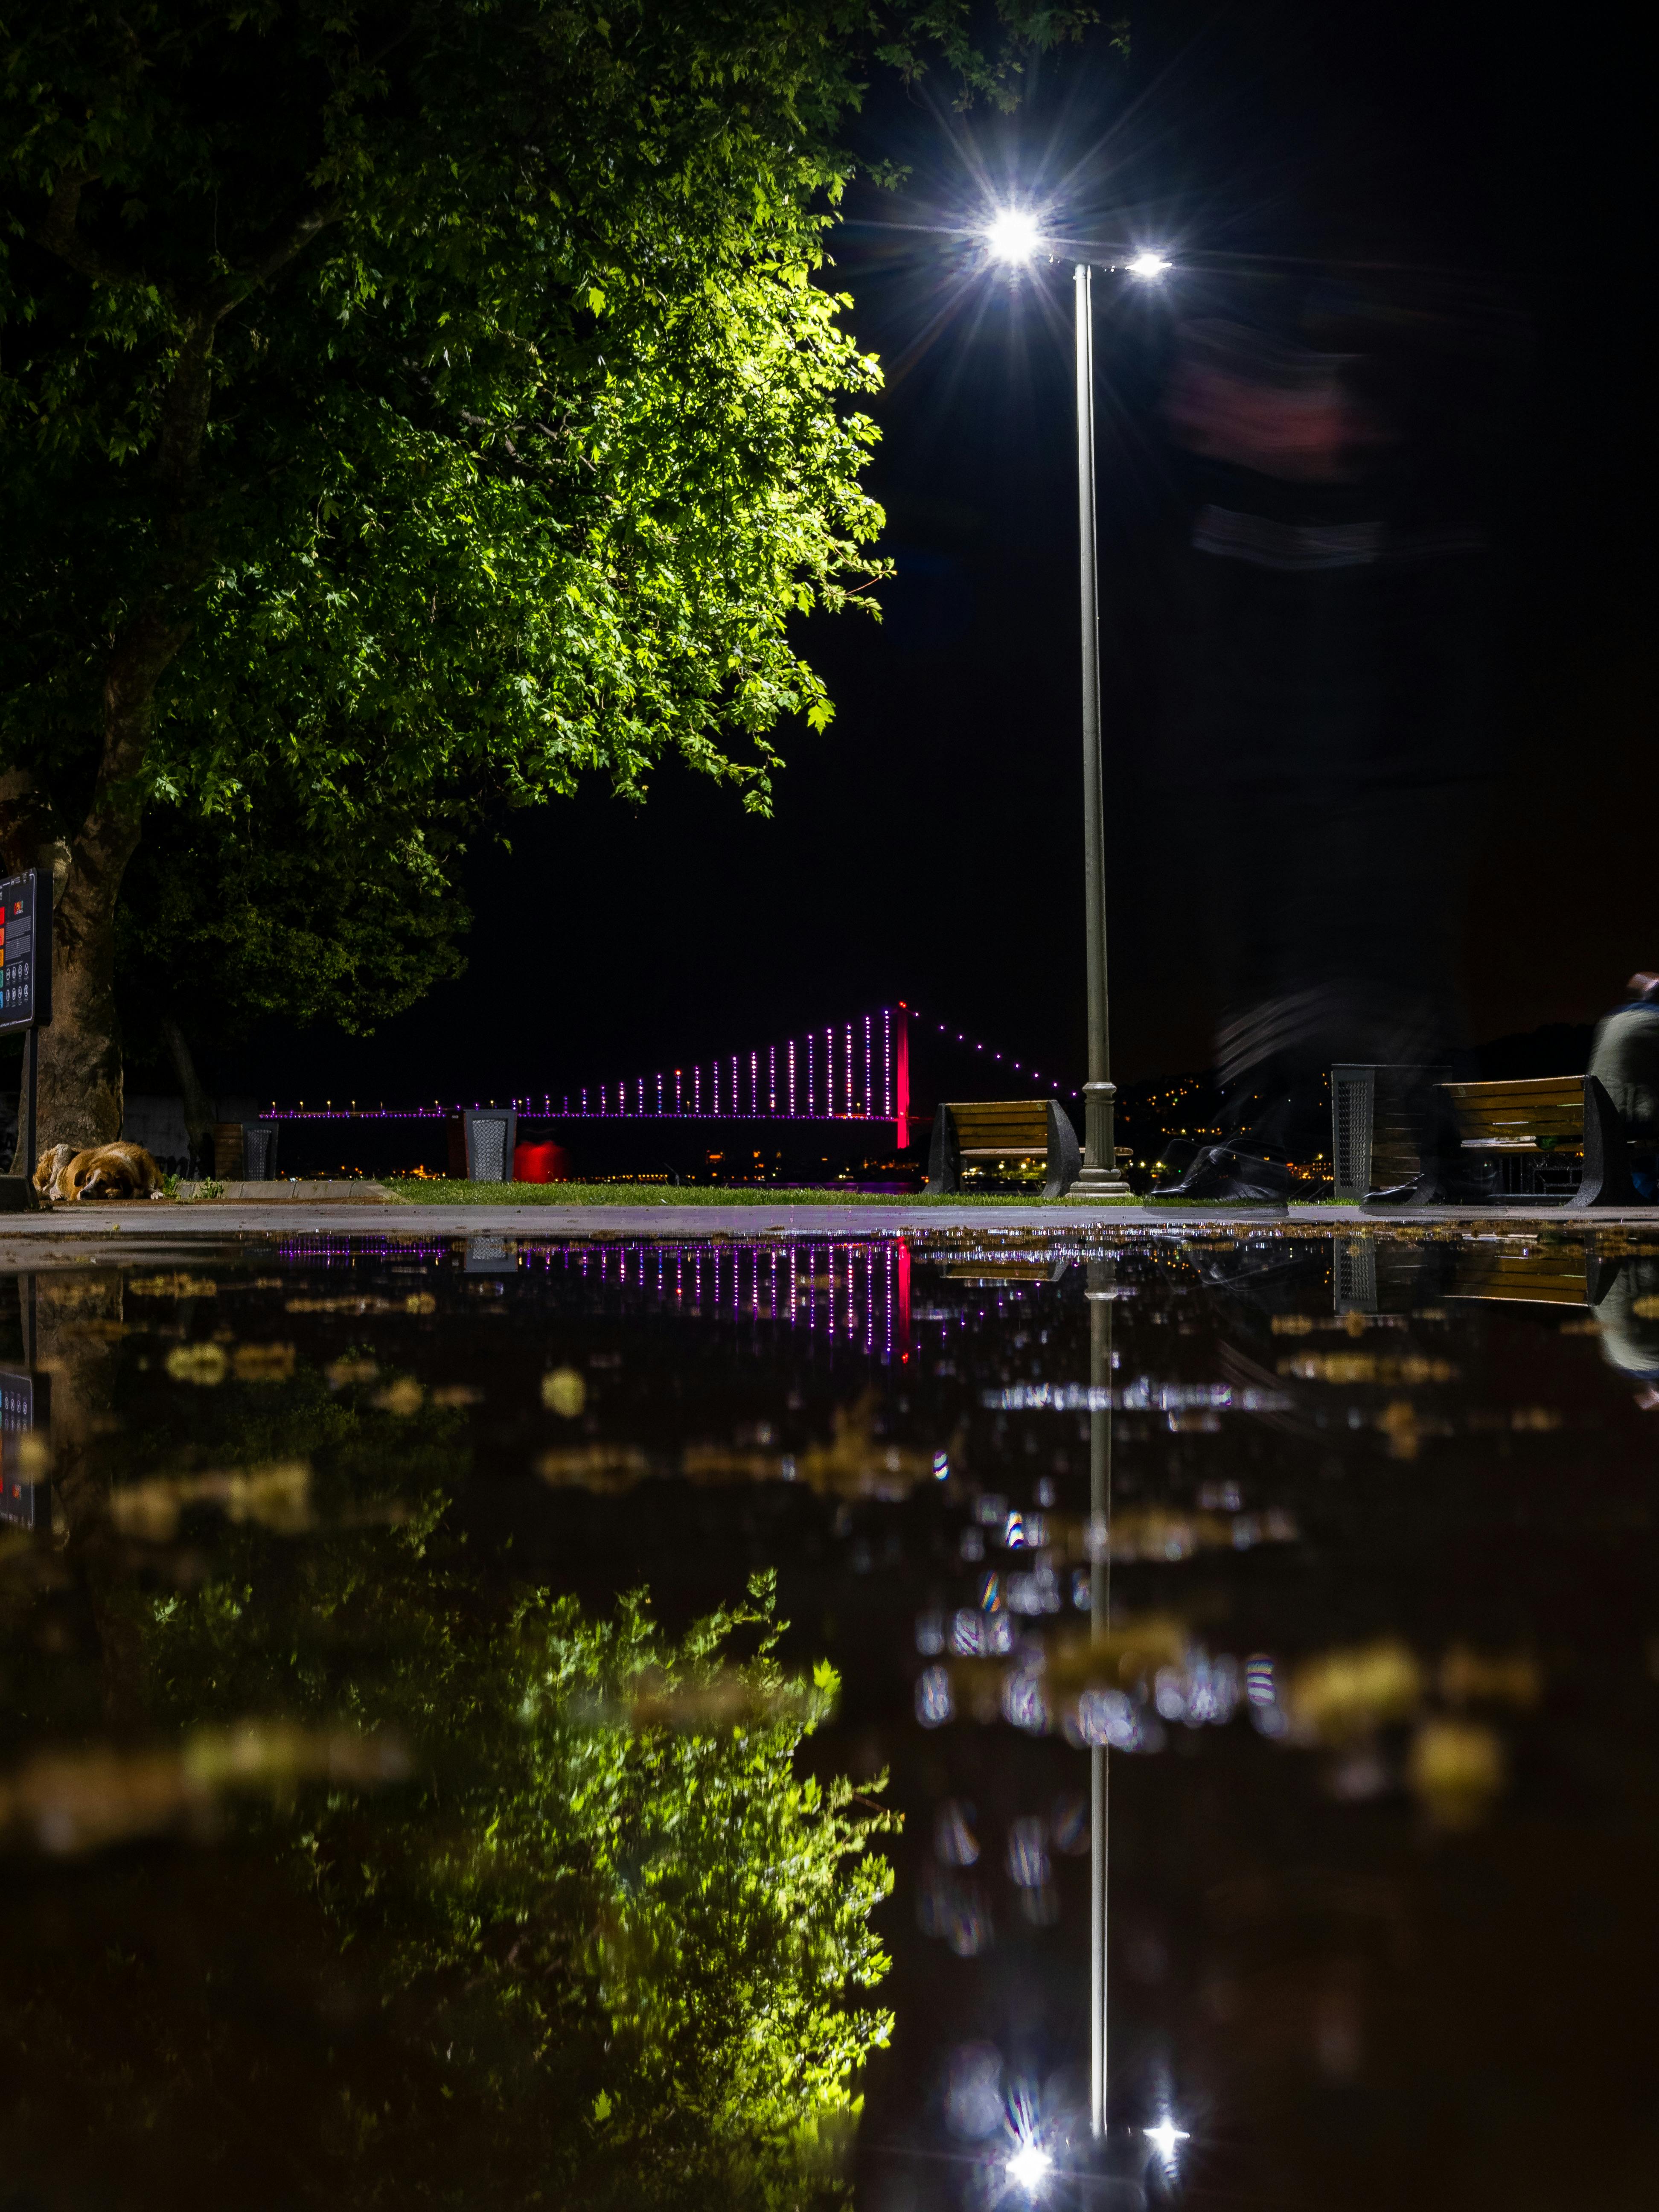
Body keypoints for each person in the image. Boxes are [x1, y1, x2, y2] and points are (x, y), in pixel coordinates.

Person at [1589, 972, 1659, 1201]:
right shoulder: (1655, 1020)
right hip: (1634, 1120)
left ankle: (1644, 1191)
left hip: (1600, 1120)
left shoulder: (1611, 1021)